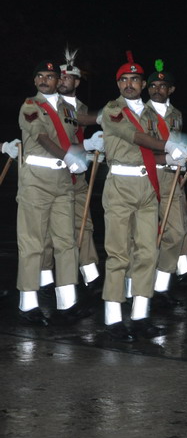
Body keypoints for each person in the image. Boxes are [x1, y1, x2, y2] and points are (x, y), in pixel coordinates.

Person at [100, 52, 187, 341]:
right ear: (118, 84)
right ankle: (113, 318)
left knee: (147, 251)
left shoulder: (152, 113)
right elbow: (137, 138)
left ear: (142, 83)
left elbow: (153, 150)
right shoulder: (113, 110)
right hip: (120, 185)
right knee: (118, 252)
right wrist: (168, 146)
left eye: (135, 80)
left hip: (148, 185)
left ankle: (140, 314)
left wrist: (175, 156)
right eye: (124, 80)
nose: (129, 85)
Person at [16, 60, 95, 325]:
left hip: (62, 181)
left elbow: (78, 124)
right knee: (33, 243)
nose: (43, 80)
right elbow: (40, 137)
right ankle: (28, 304)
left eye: (49, 76)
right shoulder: (31, 105)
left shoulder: (64, 108)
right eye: (39, 75)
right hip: (37, 181)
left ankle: (67, 303)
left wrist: (99, 131)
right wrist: (68, 155)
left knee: (66, 242)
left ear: (56, 80)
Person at [39, 48, 103, 291]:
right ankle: (45, 278)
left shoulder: (83, 108)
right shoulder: (48, 105)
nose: (62, 81)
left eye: (67, 78)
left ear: (76, 81)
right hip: (52, 173)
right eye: (60, 77)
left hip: (78, 175)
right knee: (46, 229)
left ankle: (90, 273)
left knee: (83, 222)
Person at [145, 62, 187, 306]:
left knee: (177, 231)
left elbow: (176, 143)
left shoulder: (176, 115)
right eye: (153, 85)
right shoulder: (139, 113)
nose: (157, 89)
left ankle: (161, 286)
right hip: (145, 174)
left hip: (170, 176)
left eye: (163, 86)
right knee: (143, 235)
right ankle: (135, 288)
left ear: (171, 89)